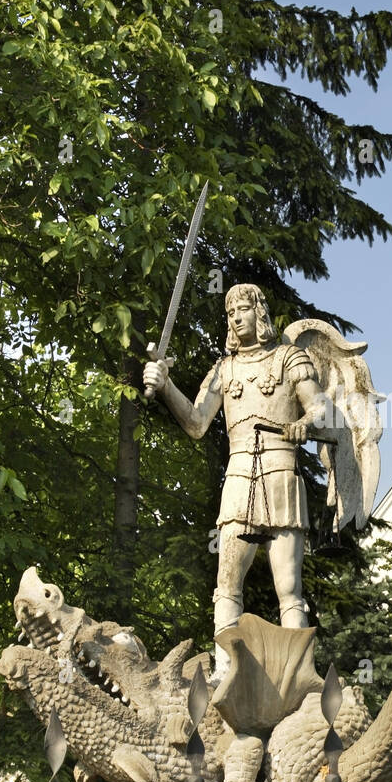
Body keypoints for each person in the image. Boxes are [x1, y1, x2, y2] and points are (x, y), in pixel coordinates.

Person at [143, 283, 328, 679]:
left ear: (259, 312)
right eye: (230, 313)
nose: (236, 317)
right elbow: (195, 424)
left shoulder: (289, 358)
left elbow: (322, 410)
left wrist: (303, 424)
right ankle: (224, 671)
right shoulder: (223, 369)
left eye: (243, 309)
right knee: (227, 584)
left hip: (281, 472)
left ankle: (298, 674)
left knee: (289, 587)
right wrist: (164, 386)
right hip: (240, 476)